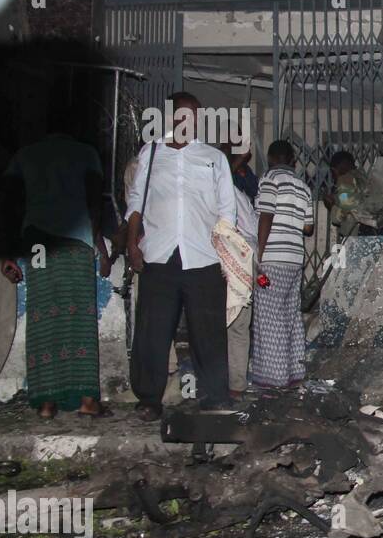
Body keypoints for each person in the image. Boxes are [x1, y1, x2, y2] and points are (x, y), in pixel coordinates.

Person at [125, 91, 236, 420]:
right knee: (153, 330)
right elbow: (135, 203)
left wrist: (228, 255)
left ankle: (215, 396)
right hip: (159, 255)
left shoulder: (213, 158)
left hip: (202, 255)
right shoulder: (151, 152)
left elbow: (226, 210)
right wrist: (132, 245)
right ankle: (149, 399)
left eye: (195, 116)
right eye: (183, 114)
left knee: (209, 330)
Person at [0, 95, 112, 419]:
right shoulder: (86, 153)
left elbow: (10, 205)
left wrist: (9, 253)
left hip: (37, 241)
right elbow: (94, 206)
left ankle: (46, 403)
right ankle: (87, 401)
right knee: (79, 322)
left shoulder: (25, 156)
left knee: (42, 318)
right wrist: (101, 250)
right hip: (74, 243)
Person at [253, 139, 314, 389]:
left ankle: (273, 378)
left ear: (270, 158)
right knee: (290, 314)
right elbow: (308, 228)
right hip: (294, 261)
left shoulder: (269, 180)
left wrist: (259, 255)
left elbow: (265, 216)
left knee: (268, 316)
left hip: (271, 262)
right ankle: (295, 373)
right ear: (292, 160)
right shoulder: (303, 187)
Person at [223, 142, 259, 398]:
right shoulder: (226, 191)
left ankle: (233, 384)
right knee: (233, 323)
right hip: (232, 259)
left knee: (236, 323)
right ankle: (231, 384)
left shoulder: (241, 192)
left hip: (242, 260)